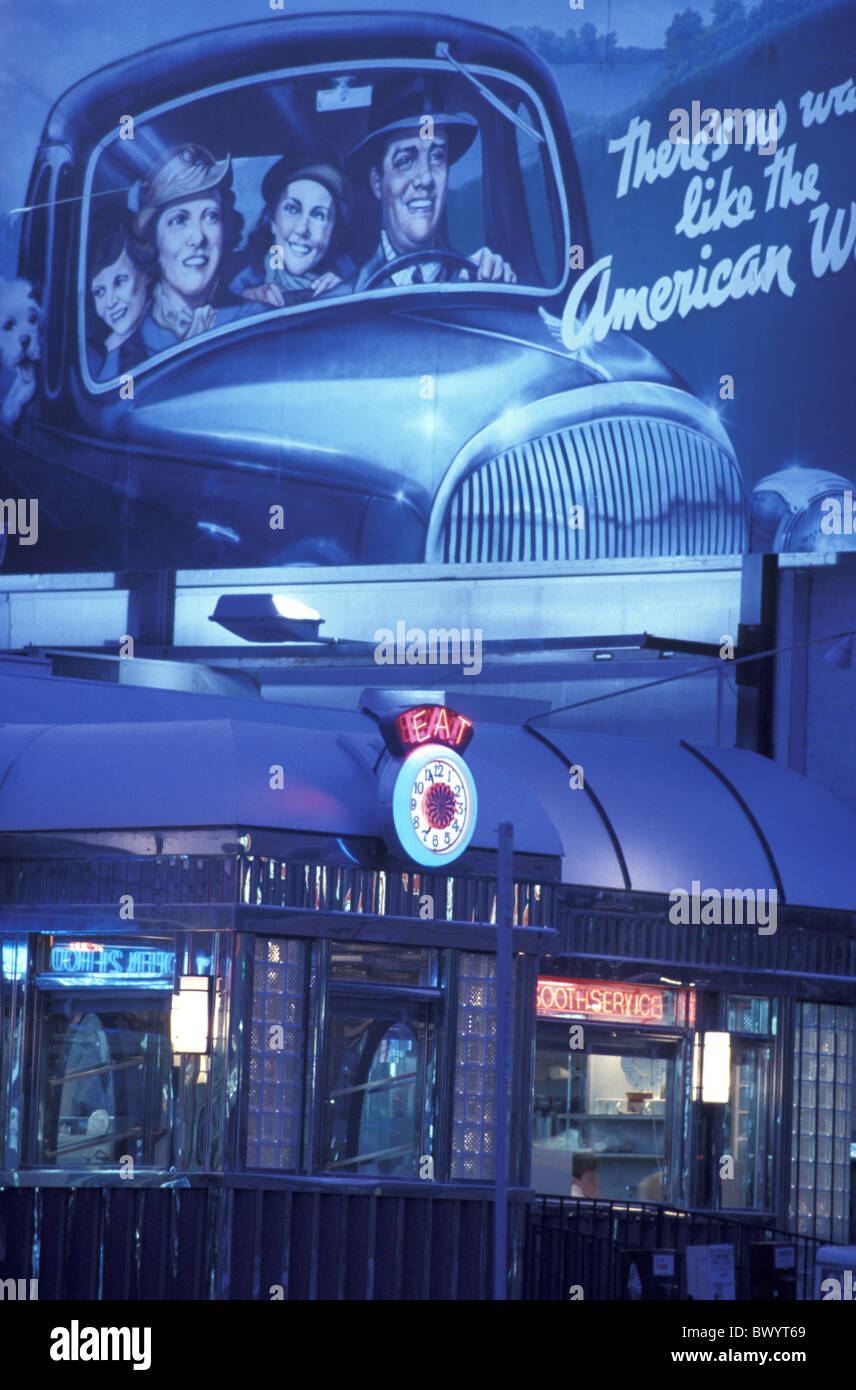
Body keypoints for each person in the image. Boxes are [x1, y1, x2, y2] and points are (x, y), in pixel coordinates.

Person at [348, 79, 516, 291]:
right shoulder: (339, 304)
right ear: (377, 182)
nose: (425, 178)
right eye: (404, 161)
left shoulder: (475, 285)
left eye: (437, 156)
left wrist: (496, 289)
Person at [129, 144, 262, 358]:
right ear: (152, 240)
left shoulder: (254, 319)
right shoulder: (130, 336)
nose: (198, 237)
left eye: (211, 216)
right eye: (179, 220)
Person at [231, 146, 355, 307]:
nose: (302, 229)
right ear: (273, 220)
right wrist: (244, 302)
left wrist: (347, 290)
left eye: (318, 215)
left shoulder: (355, 284)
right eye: (292, 209)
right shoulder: (238, 284)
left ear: (332, 230)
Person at [86, 228, 150, 381]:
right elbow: (125, 395)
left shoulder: (155, 332)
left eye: (120, 282)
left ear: (145, 274)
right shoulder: (105, 350)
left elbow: (125, 396)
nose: (110, 302)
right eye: (99, 292)